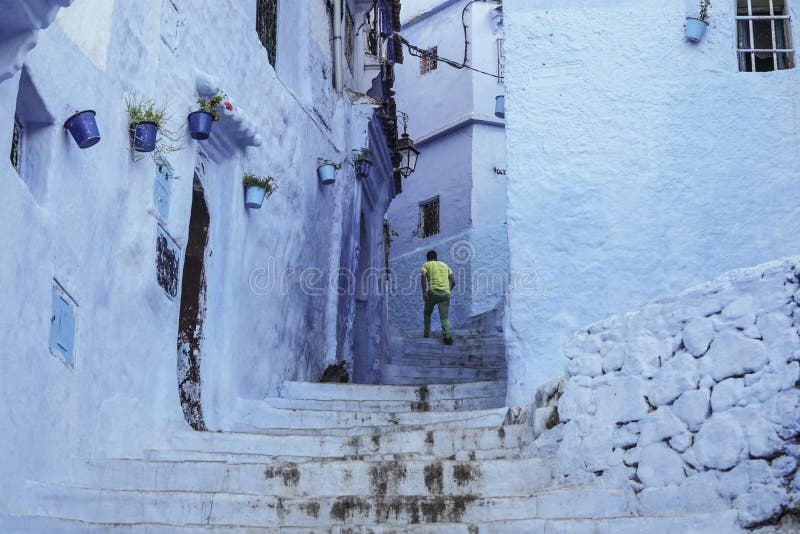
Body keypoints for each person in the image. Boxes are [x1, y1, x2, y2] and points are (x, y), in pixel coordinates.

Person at [421, 250, 456, 344]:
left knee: (427, 313)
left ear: (428, 258)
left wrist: (424, 292)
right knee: (444, 317)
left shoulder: (426, 265)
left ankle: (427, 334)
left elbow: (423, 277)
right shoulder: (445, 265)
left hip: (432, 293)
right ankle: (447, 336)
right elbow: (453, 282)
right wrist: (447, 291)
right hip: (445, 294)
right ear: (436, 257)